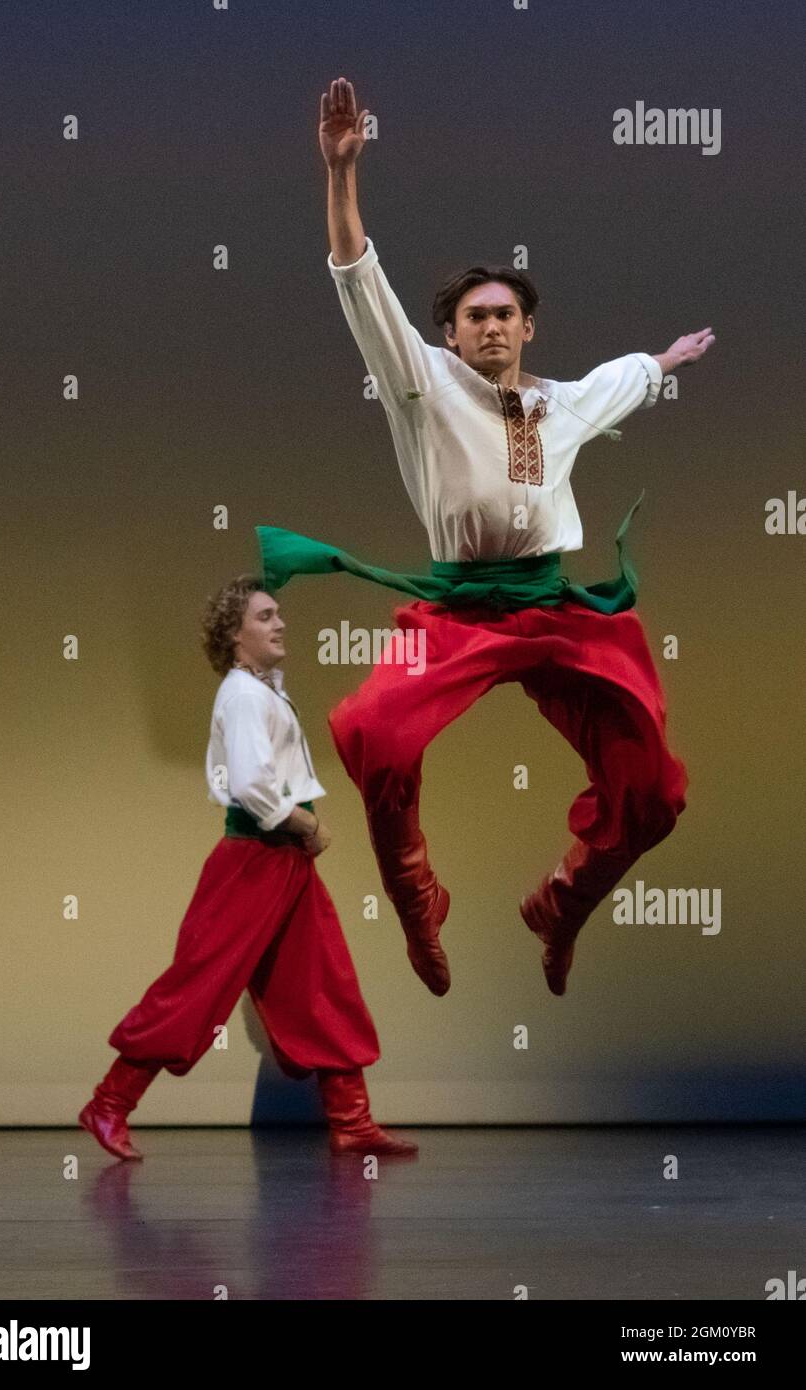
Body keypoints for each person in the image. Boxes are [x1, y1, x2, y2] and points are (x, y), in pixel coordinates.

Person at [255, 76, 715, 999]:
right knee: (370, 732)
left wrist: (665, 362)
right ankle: (418, 897)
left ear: (527, 327)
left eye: (506, 313)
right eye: (475, 316)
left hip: (553, 610)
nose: (492, 324)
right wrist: (341, 175)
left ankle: (562, 902)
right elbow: (358, 280)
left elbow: (625, 377)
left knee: (656, 790)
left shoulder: (562, 400)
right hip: (461, 612)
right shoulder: (419, 383)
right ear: (450, 337)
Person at [78, 576, 418, 1160]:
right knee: (197, 985)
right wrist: (309, 827)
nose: (279, 623)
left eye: (278, 613)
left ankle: (352, 1122)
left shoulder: (262, 692)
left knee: (322, 981)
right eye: (265, 617)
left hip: (282, 862)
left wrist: (300, 835)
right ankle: (109, 1102)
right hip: (253, 861)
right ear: (236, 636)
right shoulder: (241, 694)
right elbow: (251, 785)